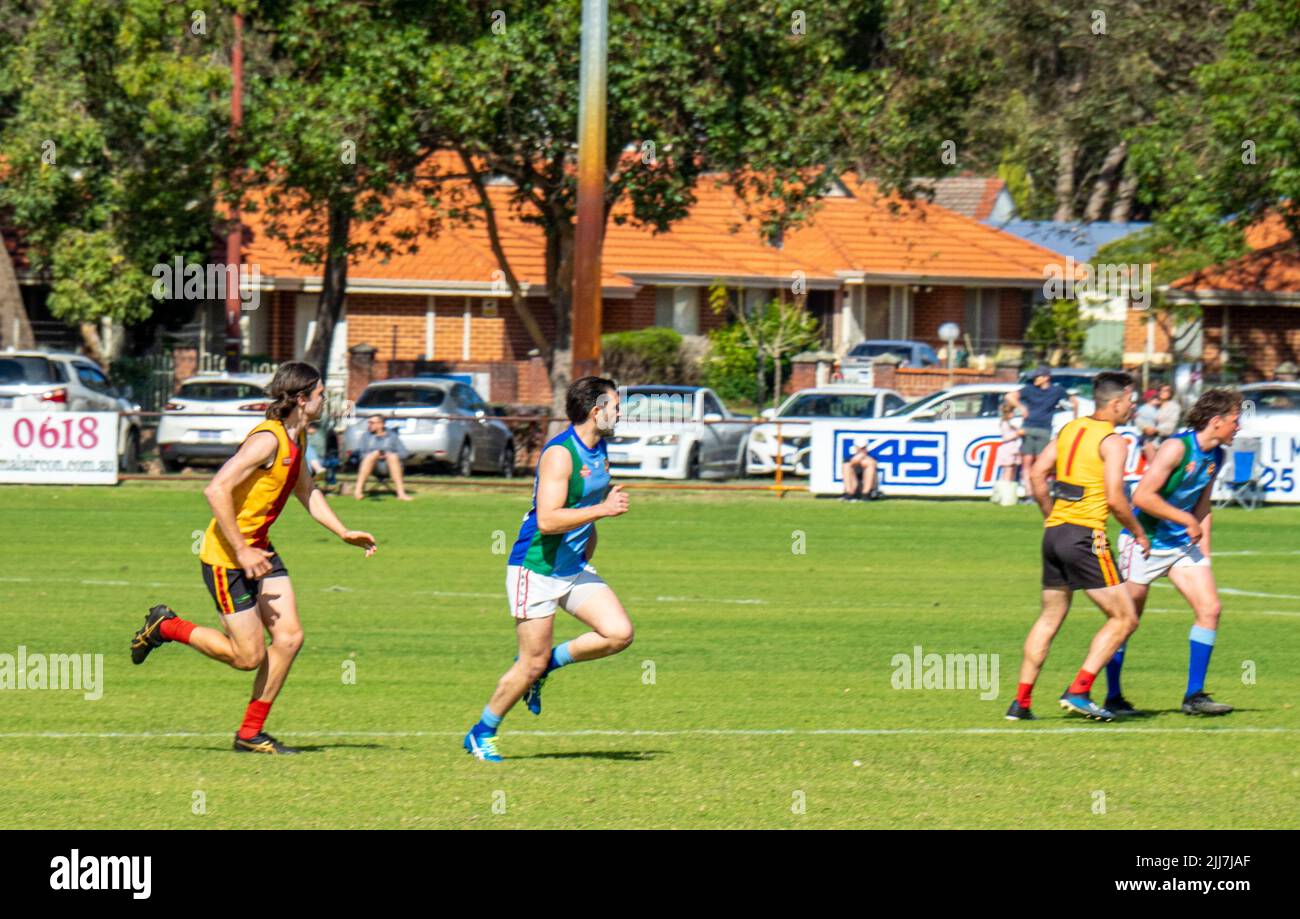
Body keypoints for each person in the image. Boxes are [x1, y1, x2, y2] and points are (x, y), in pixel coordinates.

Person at [129, 361, 377, 754]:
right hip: (227, 557)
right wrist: (241, 549)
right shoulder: (267, 440)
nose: (325, 398)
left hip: (260, 550)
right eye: (320, 393)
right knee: (248, 656)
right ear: (300, 398)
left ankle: (250, 733)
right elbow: (216, 489)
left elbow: (306, 490)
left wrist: (343, 531)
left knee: (290, 637)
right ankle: (166, 626)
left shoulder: (299, 437)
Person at [463, 377, 633, 763]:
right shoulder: (560, 454)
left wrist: (591, 535)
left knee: (619, 633)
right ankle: (481, 731)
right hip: (536, 568)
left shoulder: (600, 447)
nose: (620, 412)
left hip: (572, 566)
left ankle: (548, 666)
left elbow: (586, 500)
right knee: (529, 662)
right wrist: (603, 510)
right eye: (616, 405)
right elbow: (548, 520)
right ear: (597, 410)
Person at [1005, 371, 1149, 722]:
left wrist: (1050, 516)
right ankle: (1080, 689)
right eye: (1130, 401)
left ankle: (1020, 703)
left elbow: (1037, 474)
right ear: (1115, 403)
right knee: (1125, 617)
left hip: (1055, 534)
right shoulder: (1114, 442)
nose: (1132, 407)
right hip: (1086, 536)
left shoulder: (1069, 429)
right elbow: (1116, 499)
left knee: (1050, 617)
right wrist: (1139, 532)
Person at [1107, 389, 1242, 717]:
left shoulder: (1217, 455)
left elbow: (1203, 504)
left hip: (1182, 546)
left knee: (1210, 608)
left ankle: (1194, 696)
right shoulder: (1176, 448)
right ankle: (1113, 697)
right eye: (1235, 421)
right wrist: (1184, 519)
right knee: (1127, 621)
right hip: (1144, 542)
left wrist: (1204, 552)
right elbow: (1141, 497)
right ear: (1216, 421)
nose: (1238, 428)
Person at [1007, 367, 1080, 493]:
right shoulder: (1029, 389)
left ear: (1046, 377)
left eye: (1038, 377)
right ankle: (1029, 492)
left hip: (1043, 429)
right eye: (1035, 377)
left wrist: (1075, 419)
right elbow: (1010, 396)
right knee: (1027, 463)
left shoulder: (1056, 390)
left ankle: (1039, 491)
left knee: (1041, 464)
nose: (1036, 379)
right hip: (1028, 428)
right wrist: (1021, 407)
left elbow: (1075, 402)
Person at [353, 414, 412, 501]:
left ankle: (401, 493)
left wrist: (388, 455)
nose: (369, 425)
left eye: (372, 423)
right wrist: (375, 455)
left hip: (390, 466)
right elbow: (361, 454)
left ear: (381, 424)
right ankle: (358, 491)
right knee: (371, 456)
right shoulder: (365, 436)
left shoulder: (392, 436)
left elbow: (404, 453)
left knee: (393, 457)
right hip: (372, 466)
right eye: (368, 423)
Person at [991, 399, 1023, 506]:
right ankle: (1004, 496)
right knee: (1007, 472)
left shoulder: (1010, 424)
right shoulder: (1004, 424)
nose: (1013, 414)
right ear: (1008, 413)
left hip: (1014, 449)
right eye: (1012, 412)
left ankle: (1010, 496)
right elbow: (1006, 437)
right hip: (1008, 449)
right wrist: (1017, 433)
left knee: (1013, 472)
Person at [1134, 389, 1162, 464]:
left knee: (1155, 459)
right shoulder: (1145, 409)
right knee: (1152, 461)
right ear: (1149, 399)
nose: (1158, 400)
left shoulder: (1155, 409)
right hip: (1148, 439)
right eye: (1156, 398)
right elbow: (1157, 418)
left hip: (1154, 438)